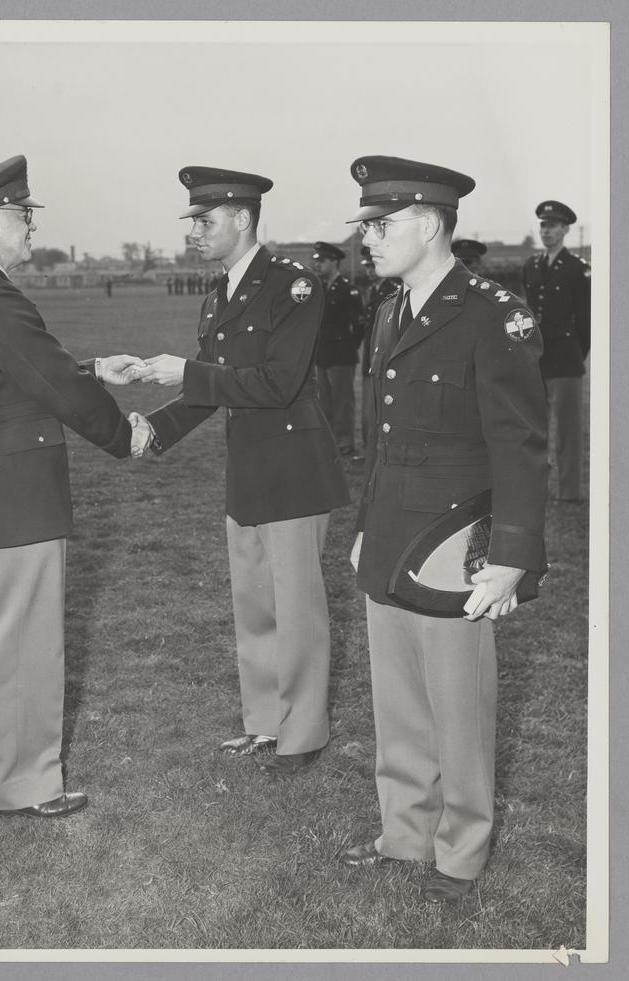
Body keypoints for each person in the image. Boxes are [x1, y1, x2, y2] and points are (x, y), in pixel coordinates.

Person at [341, 156, 548, 902]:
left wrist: (511, 557)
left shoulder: (493, 312)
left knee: (458, 706)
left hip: (455, 543)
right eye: (366, 225)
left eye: (381, 225)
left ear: (428, 225)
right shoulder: (391, 307)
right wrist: (366, 525)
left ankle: (461, 849)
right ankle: (403, 833)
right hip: (392, 535)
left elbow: (520, 445)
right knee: (397, 700)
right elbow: (385, 436)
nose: (367, 239)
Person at [0, 155, 143, 819]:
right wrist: (121, 434)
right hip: (17, 499)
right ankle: (25, 784)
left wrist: (96, 364)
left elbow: (15, 373)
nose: (30, 229)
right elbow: (52, 385)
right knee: (23, 647)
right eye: (22, 217)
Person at [130, 166, 350, 776]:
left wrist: (187, 372)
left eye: (204, 220)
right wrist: (157, 426)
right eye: (192, 221)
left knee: (297, 609)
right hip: (248, 468)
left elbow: (276, 384)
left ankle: (302, 733)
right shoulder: (218, 294)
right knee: (255, 605)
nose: (193, 232)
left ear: (243, 219)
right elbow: (211, 387)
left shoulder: (294, 286)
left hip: (293, 467)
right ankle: (263, 723)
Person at [522, 200, 591, 502]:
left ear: (565, 229)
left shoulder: (578, 269)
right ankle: (535, 487)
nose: (546, 231)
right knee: (534, 427)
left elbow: (586, 321)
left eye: (552, 226)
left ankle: (569, 491)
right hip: (537, 359)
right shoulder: (531, 266)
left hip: (566, 359)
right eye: (542, 225)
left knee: (567, 431)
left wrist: (577, 353)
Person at [311, 241, 365, 455]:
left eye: (322, 261)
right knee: (324, 402)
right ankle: (330, 441)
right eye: (316, 261)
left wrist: (349, 346)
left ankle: (345, 443)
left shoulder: (348, 291)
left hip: (341, 355)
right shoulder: (319, 289)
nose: (317, 266)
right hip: (323, 354)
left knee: (342, 402)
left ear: (334, 262)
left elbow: (359, 325)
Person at [355, 250, 399, 460]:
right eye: (367, 267)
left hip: (384, 359)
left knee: (380, 409)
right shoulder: (371, 291)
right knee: (367, 410)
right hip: (370, 359)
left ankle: (377, 451)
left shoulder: (392, 291)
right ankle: (368, 449)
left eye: (372, 266)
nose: (369, 271)